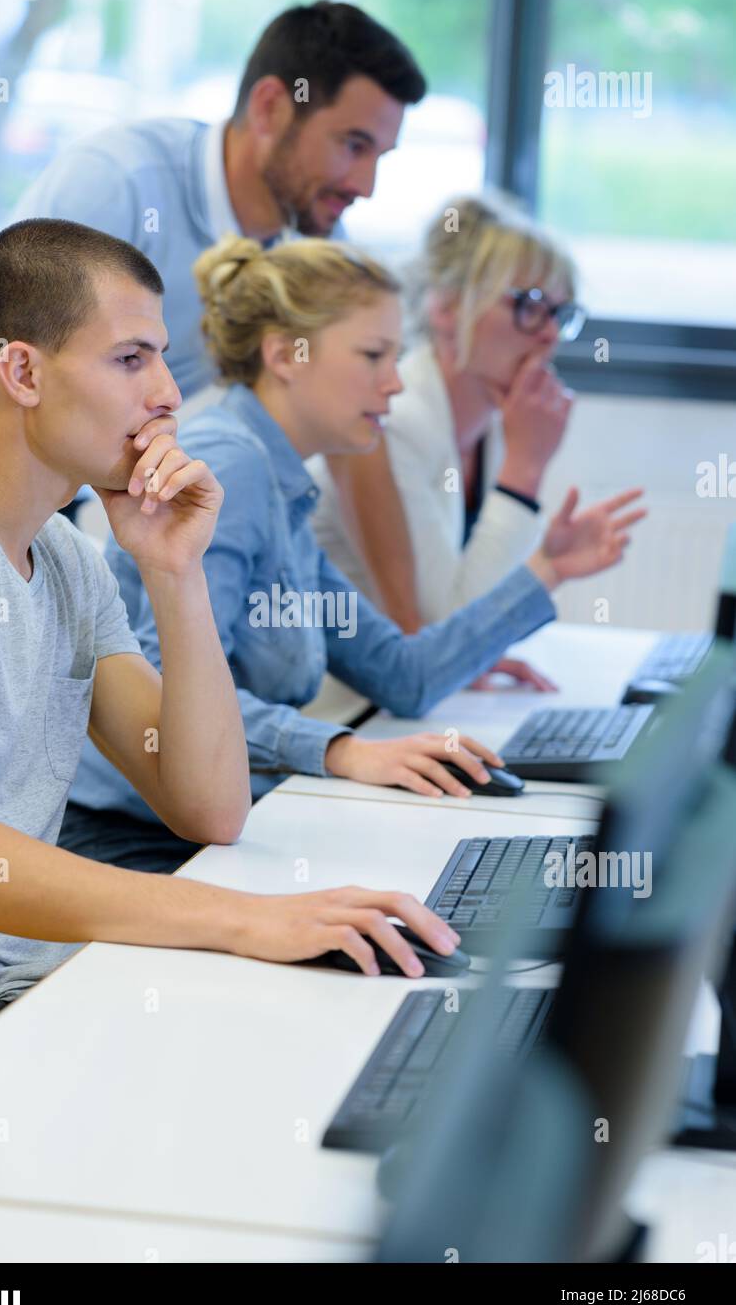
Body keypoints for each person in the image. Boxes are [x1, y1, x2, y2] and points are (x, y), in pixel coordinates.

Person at [0, 219, 463, 1100]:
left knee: (323, 1053)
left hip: (44, 980)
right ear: (23, 371)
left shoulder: (64, 554)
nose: (166, 394)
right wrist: (239, 918)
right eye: (130, 360)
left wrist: (174, 574)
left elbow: (208, 805)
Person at [64, 234, 642, 867]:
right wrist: (341, 750)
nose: (395, 384)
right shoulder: (232, 466)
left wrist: (548, 569)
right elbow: (165, 689)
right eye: (373, 355)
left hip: (211, 822)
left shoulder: (279, 479)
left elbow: (401, 673)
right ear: (285, 355)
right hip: (133, 838)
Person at [0, 0, 425, 534]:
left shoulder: (313, 243)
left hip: (38, 489)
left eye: (382, 156)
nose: (366, 186)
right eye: (354, 145)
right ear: (270, 107)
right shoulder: (122, 181)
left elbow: (353, 440)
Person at [306, 194, 641, 688]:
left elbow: (460, 638)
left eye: (560, 313)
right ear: (445, 308)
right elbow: (442, 631)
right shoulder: (393, 421)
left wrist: (478, 655)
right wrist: (524, 475)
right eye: (529, 306)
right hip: (346, 711)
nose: (549, 335)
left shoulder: (491, 424)